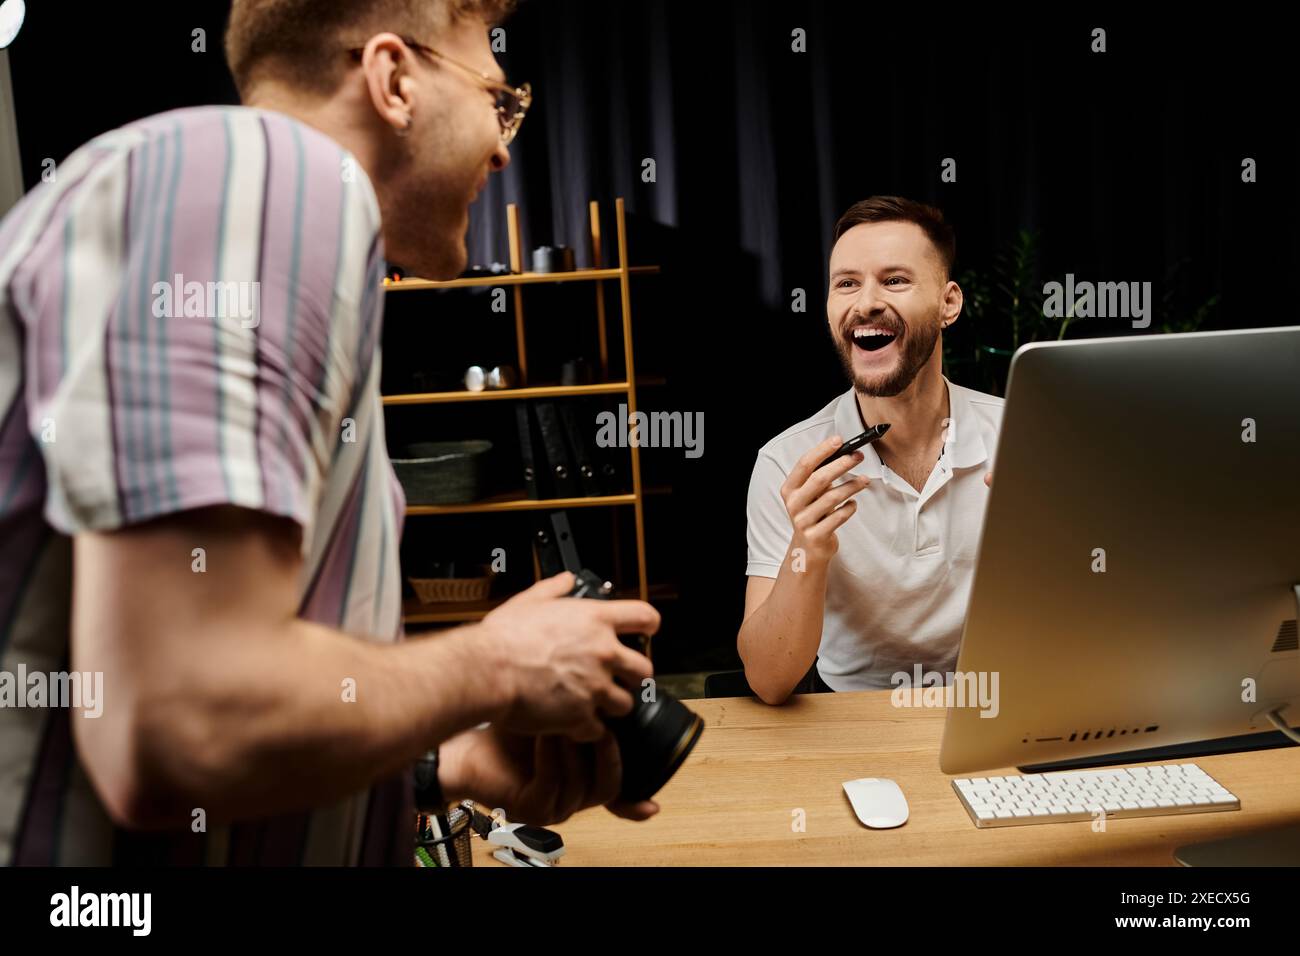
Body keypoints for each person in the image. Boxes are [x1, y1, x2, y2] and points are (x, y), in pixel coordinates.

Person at [0, 0, 659, 866]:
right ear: (393, 80)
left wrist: (436, 762)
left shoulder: (249, 197)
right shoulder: (267, 178)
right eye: (499, 102)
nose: (504, 148)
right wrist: (498, 665)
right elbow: (181, 721)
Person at [738, 196, 1000, 704]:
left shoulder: (1020, 437)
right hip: (848, 718)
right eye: (846, 283)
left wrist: (1051, 544)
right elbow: (769, 680)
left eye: (895, 280)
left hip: (994, 706)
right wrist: (806, 553)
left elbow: (1106, 627)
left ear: (949, 303)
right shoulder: (784, 464)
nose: (866, 303)